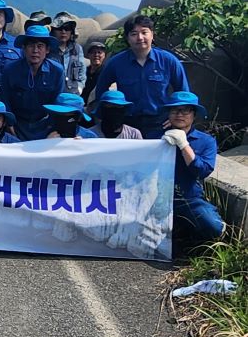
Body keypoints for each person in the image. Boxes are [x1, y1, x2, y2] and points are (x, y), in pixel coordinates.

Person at [94, 15, 189, 138]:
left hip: (160, 124)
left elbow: (184, 93)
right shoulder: (116, 63)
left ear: (152, 34)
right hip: (127, 124)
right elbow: (101, 91)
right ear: (127, 38)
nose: (140, 38)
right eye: (134, 34)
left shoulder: (168, 61)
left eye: (144, 32)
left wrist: (175, 119)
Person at [161, 91, 223, 244]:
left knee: (213, 227)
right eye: (175, 110)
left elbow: (202, 171)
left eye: (186, 110)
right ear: (169, 114)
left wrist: (184, 145)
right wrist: (158, 146)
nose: (179, 114)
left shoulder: (206, 141)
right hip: (156, 198)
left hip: (189, 198)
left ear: (194, 115)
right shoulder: (156, 137)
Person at [1, 24, 65, 140]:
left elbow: (58, 103)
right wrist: (10, 126)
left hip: (45, 126)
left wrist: (53, 129)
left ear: (47, 50)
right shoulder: (10, 70)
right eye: (31, 46)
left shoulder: (57, 71)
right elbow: (5, 100)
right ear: (24, 48)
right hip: (17, 125)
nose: (35, 51)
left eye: (40, 46)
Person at [49, 14, 86, 95]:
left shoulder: (77, 49)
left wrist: (79, 88)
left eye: (67, 29)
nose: (63, 32)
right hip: (52, 94)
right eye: (60, 28)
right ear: (53, 31)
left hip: (72, 94)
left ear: (72, 32)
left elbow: (82, 72)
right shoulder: (48, 49)